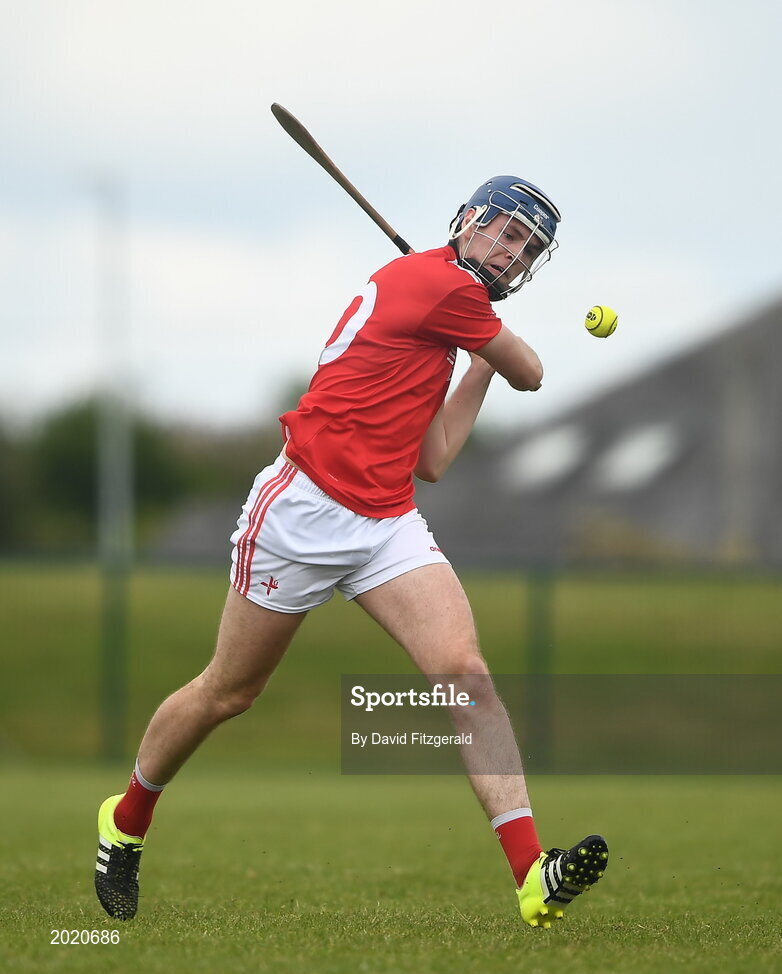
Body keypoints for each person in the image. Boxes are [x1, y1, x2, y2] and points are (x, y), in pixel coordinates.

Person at [94, 175, 608, 928]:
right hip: (301, 510)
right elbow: (533, 373)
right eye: (504, 231)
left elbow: (430, 458)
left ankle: (533, 873)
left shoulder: (450, 318)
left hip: (385, 522)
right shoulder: (440, 287)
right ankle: (125, 820)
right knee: (229, 693)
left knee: (465, 674)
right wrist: (499, 352)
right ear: (467, 222)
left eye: (527, 246)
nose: (512, 250)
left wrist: (477, 365)